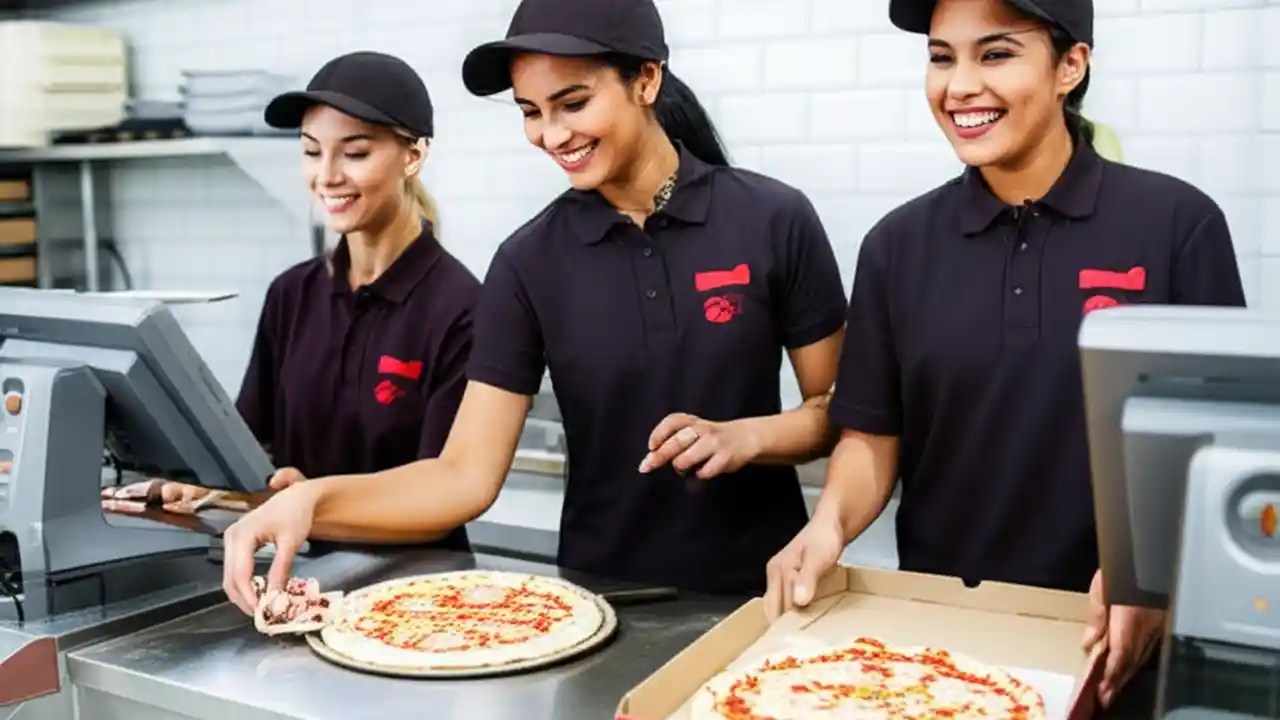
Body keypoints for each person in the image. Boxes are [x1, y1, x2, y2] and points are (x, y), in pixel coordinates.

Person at [218, 0, 848, 614]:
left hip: (765, 594)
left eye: (573, 103)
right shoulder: (529, 261)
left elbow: (835, 413)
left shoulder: (773, 219)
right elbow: (465, 475)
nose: (553, 134)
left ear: (646, 80)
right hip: (603, 602)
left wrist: (749, 436)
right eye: (531, 112)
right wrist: (312, 501)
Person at [763, 0, 1246, 709]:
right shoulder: (897, 247)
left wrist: (1152, 576)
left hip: (1114, 641)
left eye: (995, 54)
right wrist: (827, 523)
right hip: (938, 639)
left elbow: (1222, 451)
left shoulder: (1177, 226)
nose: (959, 86)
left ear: (1070, 67)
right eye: (940, 57)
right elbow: (871, 436)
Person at [102, 51, 480, 554]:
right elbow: (252, 454)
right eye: (311, 151)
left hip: (419, 587)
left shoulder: (463, 308)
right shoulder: (292, 294)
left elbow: (441, 496)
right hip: (297, 573)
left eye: (356, 152)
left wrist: (307, 503)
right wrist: (201, 489)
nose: (327, 175)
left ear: (413, 156)